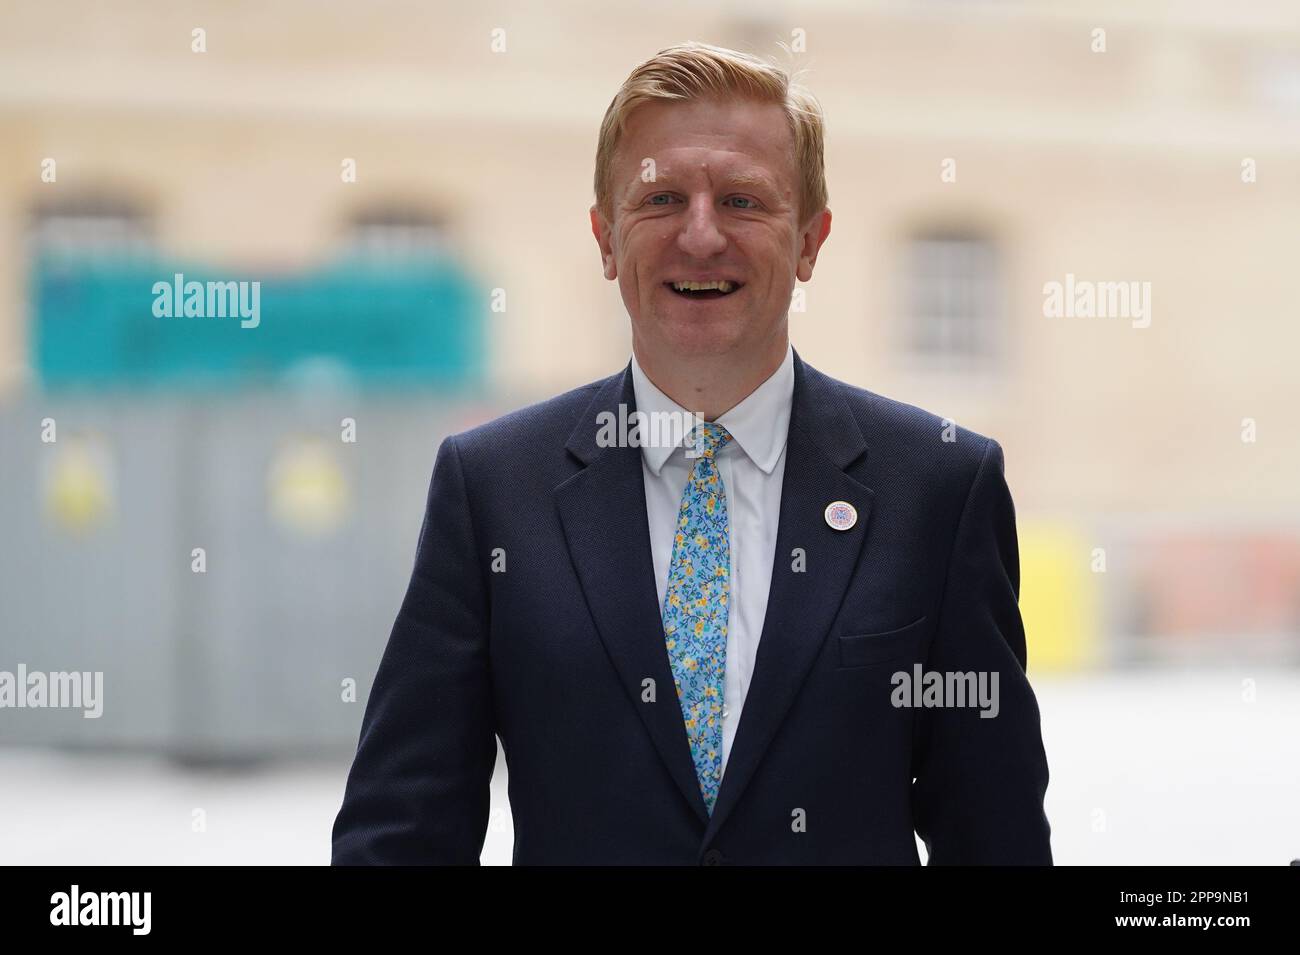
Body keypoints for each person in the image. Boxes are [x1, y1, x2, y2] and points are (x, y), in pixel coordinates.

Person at [332, 41, 1052, 865]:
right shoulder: (494, 487)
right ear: (606, 238)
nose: (700, 236)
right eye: (661, 199)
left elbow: (996, 837)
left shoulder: (938, 488)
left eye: (743, 200)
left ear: (811, 240)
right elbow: (402, 829)